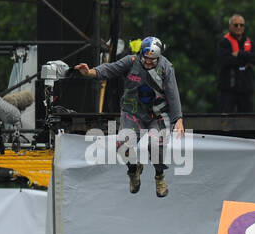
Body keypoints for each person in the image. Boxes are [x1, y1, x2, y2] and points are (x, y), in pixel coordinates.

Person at [74, 36, 183, 198]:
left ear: (158, 58)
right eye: (145, 58)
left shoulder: (166, 67)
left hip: (157, 114)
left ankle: (159, 175)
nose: (147, 62)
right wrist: (90, 72)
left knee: (156, 145)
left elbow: (173, 94)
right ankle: (133, 170)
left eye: (152, 60)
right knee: (122, 144)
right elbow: (110, 69)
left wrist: (178, 119)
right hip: (132, 112)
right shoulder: (131, 61)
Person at [215, 14, 255, 113]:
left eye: (241, 25)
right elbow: (225, 60)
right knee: (225, 118)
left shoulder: (250, 42)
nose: (239, 27)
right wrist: (247, 59)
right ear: (230, 26)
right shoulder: (224, 42)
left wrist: (240, 54)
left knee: (247, 119)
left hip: (246, 88)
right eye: (236, 25)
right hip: (228, 88)